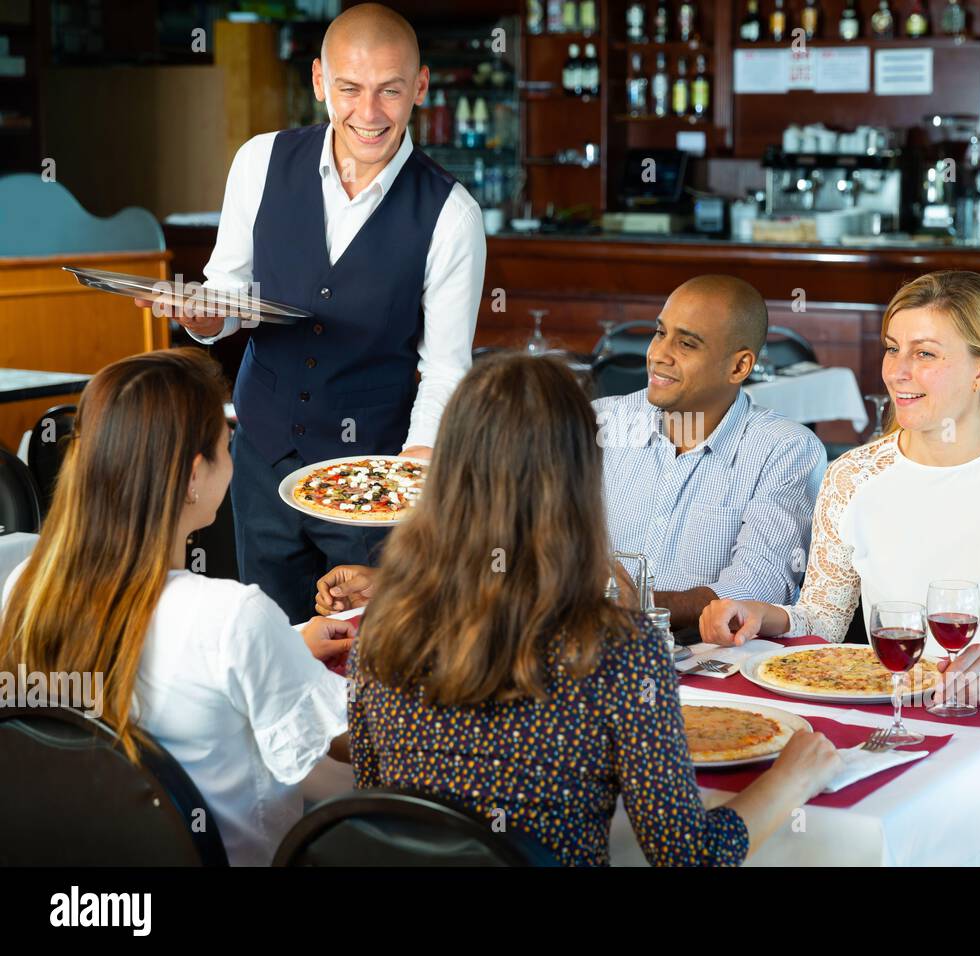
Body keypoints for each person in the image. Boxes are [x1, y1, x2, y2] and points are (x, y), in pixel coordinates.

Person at [348, 353, 842, 866]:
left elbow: (377, 812)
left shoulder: (386, 624)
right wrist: (793, 777)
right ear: (579, 475)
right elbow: (688, 856)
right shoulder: (615, 649)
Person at [697, 271, 980, 847]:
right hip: (886, 723)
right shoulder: (852, 475)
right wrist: (765, 615)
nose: (898, 371)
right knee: (805, 826)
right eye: (894, 349)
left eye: (925, 354)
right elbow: (821, 619)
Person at [151, 3, 486, 623]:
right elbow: (227, 293)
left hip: (374, 480)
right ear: (318, 82)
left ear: (420, 87)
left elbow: (445, 371)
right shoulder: (260, 161)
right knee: (271, 643)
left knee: (374, 656)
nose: (369, 113)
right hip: (262, 459)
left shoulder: (452, 214)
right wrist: (200, 317)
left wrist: (406, 487)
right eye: (349, 89)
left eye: (390, 91)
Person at [0, 350, 356, 867]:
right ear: (194, 474)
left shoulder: (23, 591)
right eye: (224, 442)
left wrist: (285, 654)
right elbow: (354, 738)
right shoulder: (233, 618)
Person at [314, 275, 827, 632]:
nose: (658, 354)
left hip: (711, 671)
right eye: (659, 332)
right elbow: (510, 542)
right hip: (577, 654)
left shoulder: (785, 451)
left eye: (687, 344)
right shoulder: (600, 421)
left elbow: (748, 596)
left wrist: (628, 602)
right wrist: (400, 582)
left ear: (739, 367)